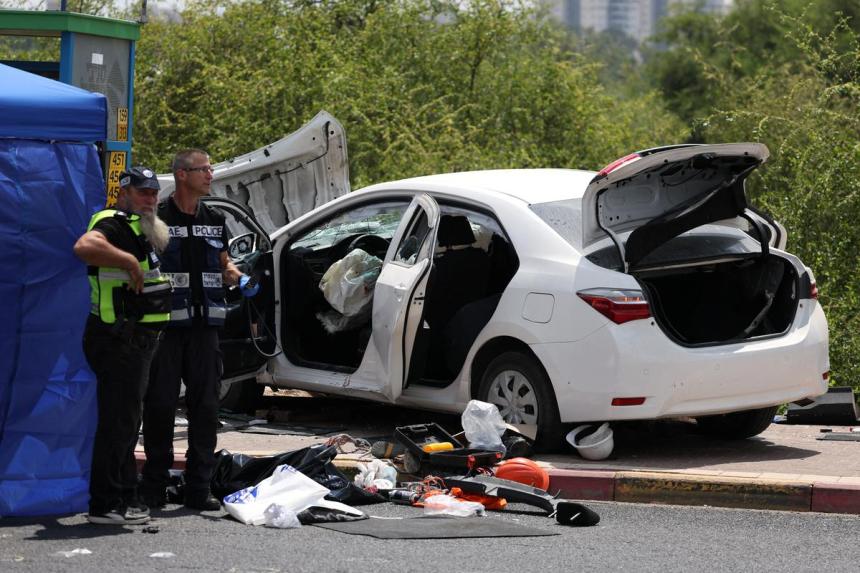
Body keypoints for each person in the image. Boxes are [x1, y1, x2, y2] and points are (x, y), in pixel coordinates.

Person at [140, 149, 259, 511]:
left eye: (210, 169)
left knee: (206, 408)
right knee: (160, 406)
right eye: (203, 169)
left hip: (206, 329)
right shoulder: (156, 216)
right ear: (181, 175)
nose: (210, 175)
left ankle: (198, 488)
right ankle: (155, 486)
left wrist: (239, 277)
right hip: (165, 329)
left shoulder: (215, 218)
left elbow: (223, 263)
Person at [74, 166, 173, 525]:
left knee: (128, 424)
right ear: (124, 192)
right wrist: (127, 260)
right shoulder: (112, 221)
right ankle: (104, 504)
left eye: (154, 193)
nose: (150, 199)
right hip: (118, 340)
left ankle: (125, 497)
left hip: (138, 341)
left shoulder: (141, 228)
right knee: (118, 423)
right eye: (143, 192)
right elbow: (84, 247)